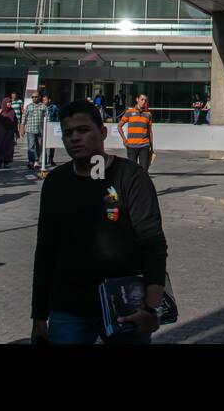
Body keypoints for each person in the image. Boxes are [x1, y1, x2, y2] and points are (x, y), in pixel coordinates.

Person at [31, 101, 170, 345]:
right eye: (68, 133)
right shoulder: (55, 182)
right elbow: (45, 250)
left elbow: (152, 242)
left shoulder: (131, 176)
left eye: (83, 130)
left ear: (103, 132)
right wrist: (39, 317)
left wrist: (152, 307)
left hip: (126, 306)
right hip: (68, 308)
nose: (74, 138)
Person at [118, 94, 154, 173]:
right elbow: (119, 126)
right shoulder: (129, 112)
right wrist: (124, 139)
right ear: (137, 99)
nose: (143, 102)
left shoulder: (148, 114)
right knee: (132, 170)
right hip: (131, 145)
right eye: (142, 99)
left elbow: (150, 132)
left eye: (145, 100)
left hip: (144, 145)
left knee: (144, 170)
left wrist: (152, 147)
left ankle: (142, 185)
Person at [0, 96, 19, 168]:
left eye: (10, 102)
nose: (9, 104)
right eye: (8, 102)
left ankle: (6, 161)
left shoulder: (12, 111)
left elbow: (15, 122)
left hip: (10, 133)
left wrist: (17, 132)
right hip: (1, 132)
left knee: (8, 147)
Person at [23, 93, 46, 170]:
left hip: (40, 130)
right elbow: (24, 117)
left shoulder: (43, 106)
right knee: (31, 146)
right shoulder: (29, 106)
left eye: (36, 97)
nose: (34, 98)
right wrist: (22, 128)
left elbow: (47, 118)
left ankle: (37, 161)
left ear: (39, 97)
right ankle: (31, 161)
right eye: (33, 97)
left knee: (39, 146)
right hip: (30, 129)